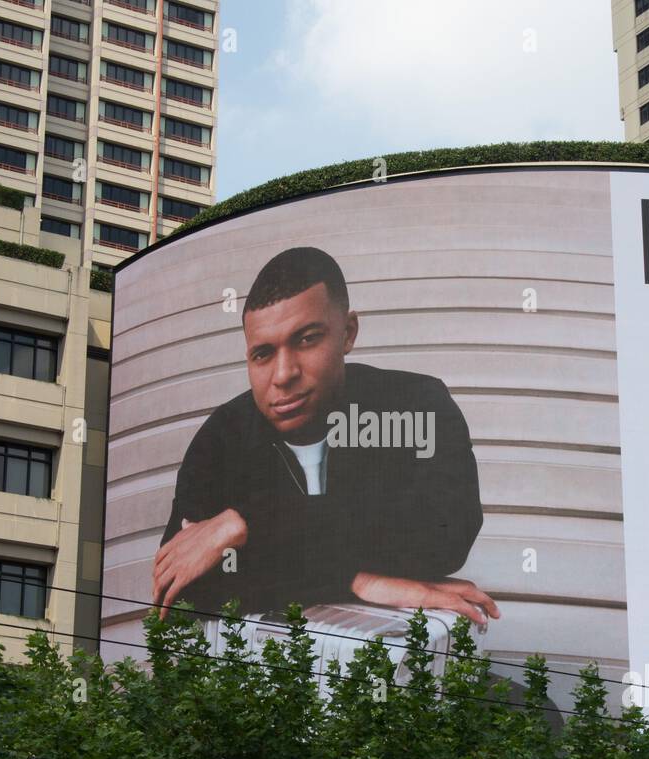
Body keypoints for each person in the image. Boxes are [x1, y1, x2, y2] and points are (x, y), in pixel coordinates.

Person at [151, 246, 500, 626]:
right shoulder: (222, 437)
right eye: (263, 354)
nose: (283, 374)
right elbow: (184, 591)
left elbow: (443, 538)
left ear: (347, 333)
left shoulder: (417, 405)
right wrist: (358, 580)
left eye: (306, 339)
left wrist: (248, 522)